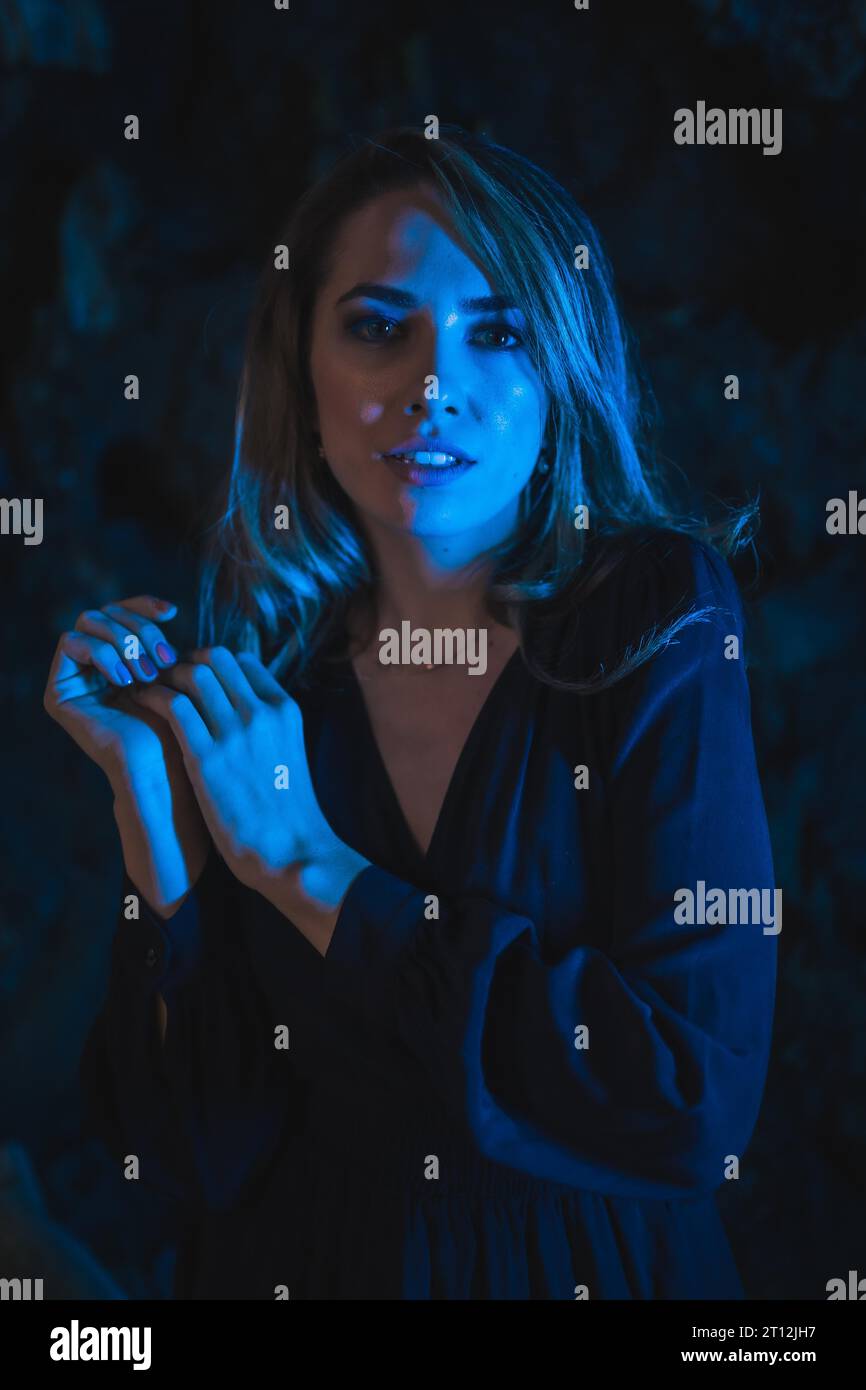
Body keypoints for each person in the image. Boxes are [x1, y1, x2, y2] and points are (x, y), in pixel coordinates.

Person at [44, 125, 777, 1300]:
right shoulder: (262, 674)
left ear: (560, 374)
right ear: (303, 371)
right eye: (379, 328)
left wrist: (302, 863)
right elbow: (193, 1149)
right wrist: (154, 811)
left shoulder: (653, 616)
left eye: (498, 333)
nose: (431, 388)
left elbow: (686, 1098)